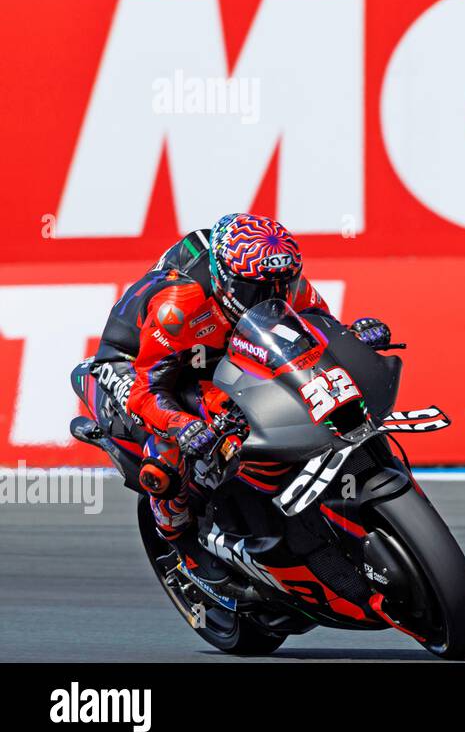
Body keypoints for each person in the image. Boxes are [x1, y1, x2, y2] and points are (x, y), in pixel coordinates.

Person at [73, 213, 390, 591]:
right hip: (139, 363)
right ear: (224, 279)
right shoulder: (180, 305)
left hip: (216, 350)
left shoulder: (285, 283)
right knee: (166, 460)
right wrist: (183, 426)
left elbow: (321, 330)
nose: (271, 296)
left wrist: (355, 335)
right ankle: (185, 549)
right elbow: (150, 389)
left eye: (280, 285)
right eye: (254, 290)